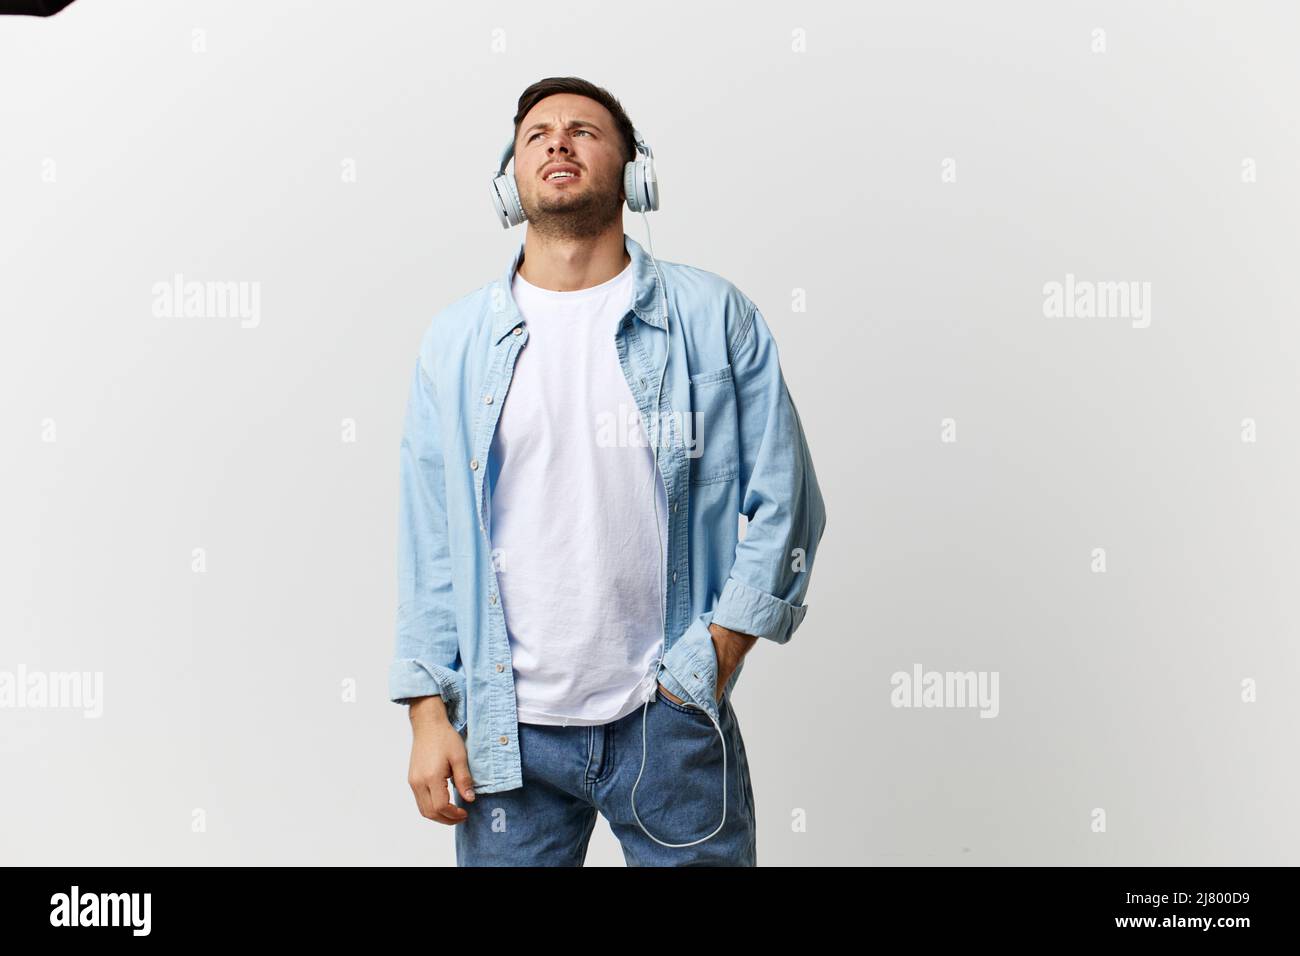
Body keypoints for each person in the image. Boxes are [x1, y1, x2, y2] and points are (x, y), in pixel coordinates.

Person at [392, 76, 827, 866]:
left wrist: (713, 657)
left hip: (669, 720)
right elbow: (430, 546)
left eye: (584, 131)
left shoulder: (711, 317)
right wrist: (427, 710)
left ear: (634, 170)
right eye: (538, 134)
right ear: (512, 177)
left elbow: (789, 500)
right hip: (505, 734)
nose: (558, 141)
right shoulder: (452, 345)